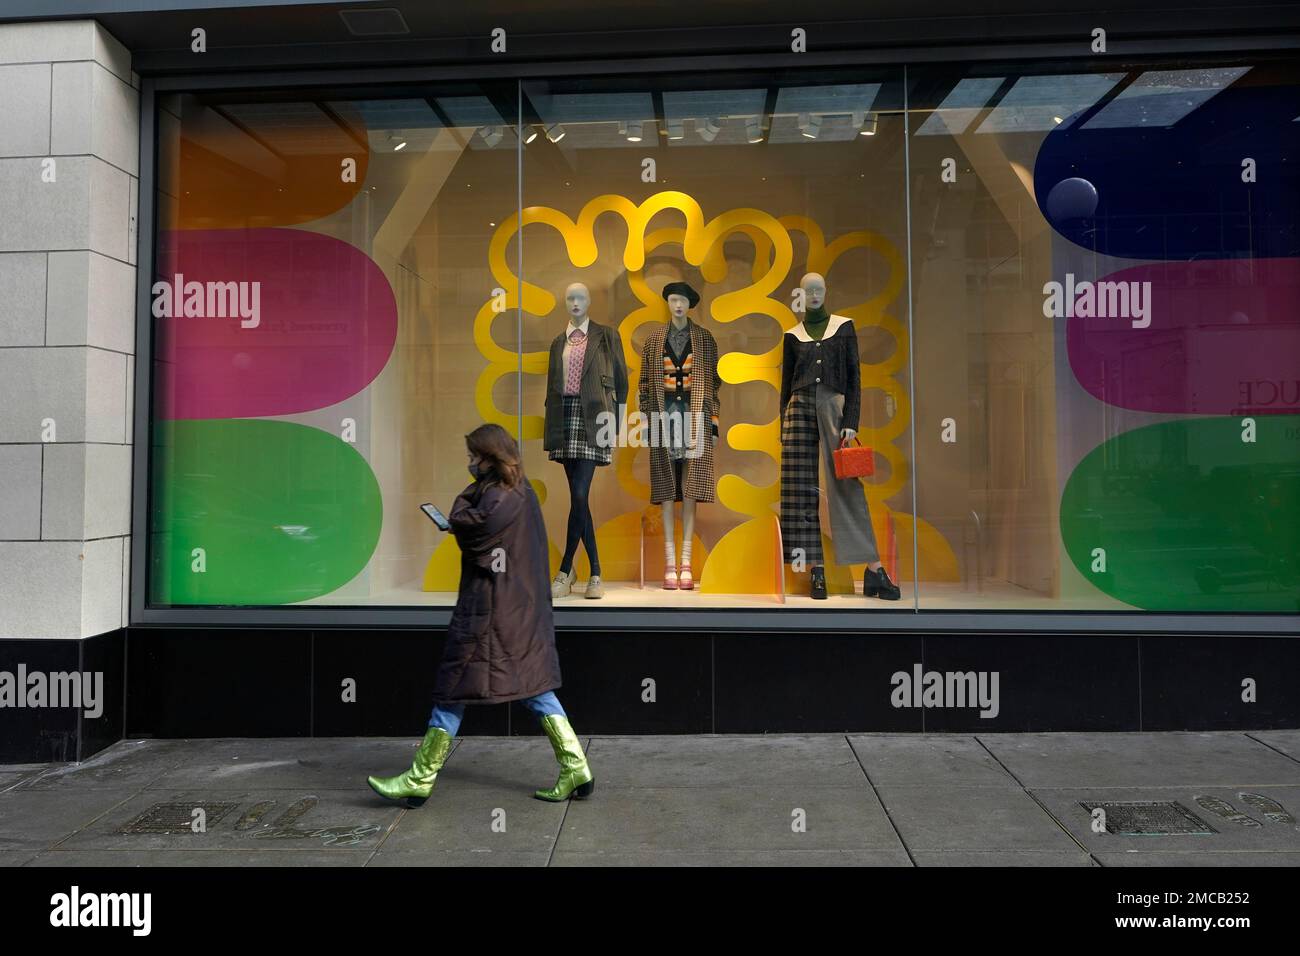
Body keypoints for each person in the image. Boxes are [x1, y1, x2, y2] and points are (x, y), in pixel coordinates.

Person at [367, 424, 595, 807]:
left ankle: (420, 779)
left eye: (475, 456)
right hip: (517, 611)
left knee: (454, 687)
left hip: (491, 613)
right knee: (532, 687)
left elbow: (471, 530)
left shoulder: (497, 499)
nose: (470, 463)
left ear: (491, 458)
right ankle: (575, 766)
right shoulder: (517, 493)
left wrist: (456, 517)